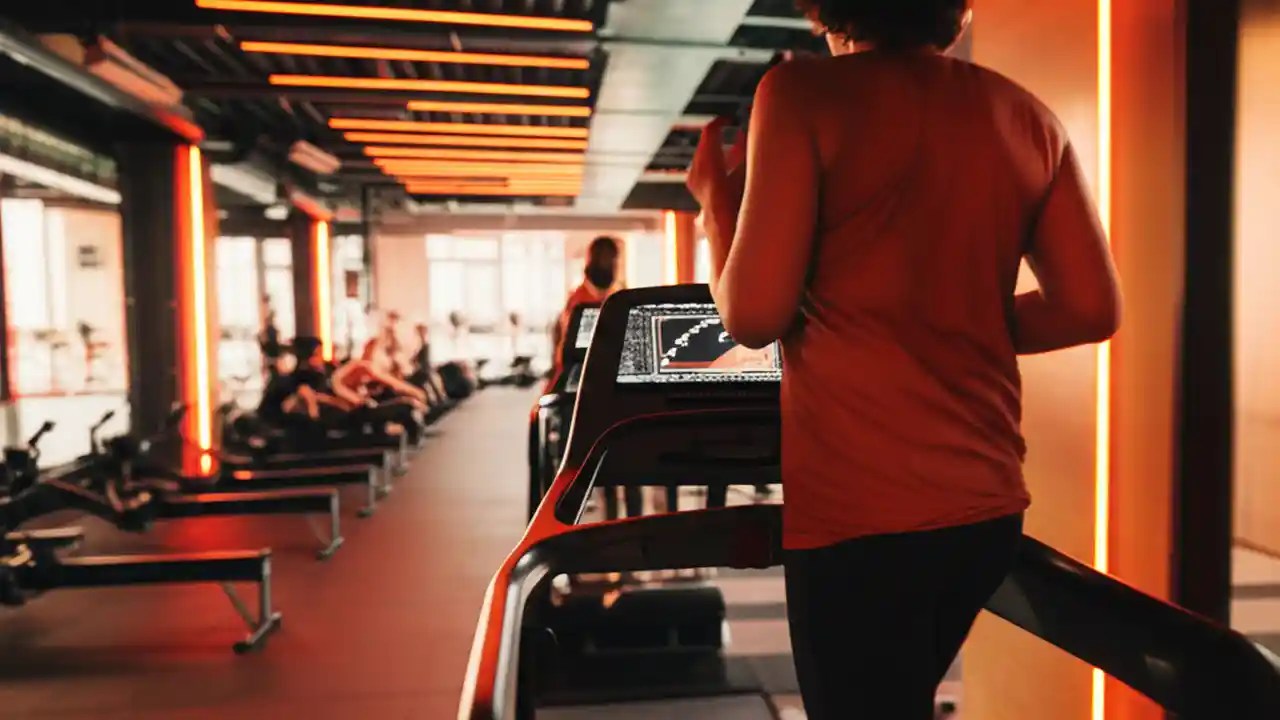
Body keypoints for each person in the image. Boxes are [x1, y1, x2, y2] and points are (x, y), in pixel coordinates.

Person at [686, 1, 1122, 717]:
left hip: (863, 517)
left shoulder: (801, 93)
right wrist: (955, 317)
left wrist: (715, 206)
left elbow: (753, 314)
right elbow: (1089, 308)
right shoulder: (1027, 114)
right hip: (985, 512)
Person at [549, 236, 622, 380]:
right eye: (604, 259)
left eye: (612, 260)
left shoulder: (616, 298)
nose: (609, 265)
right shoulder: (578, 301)